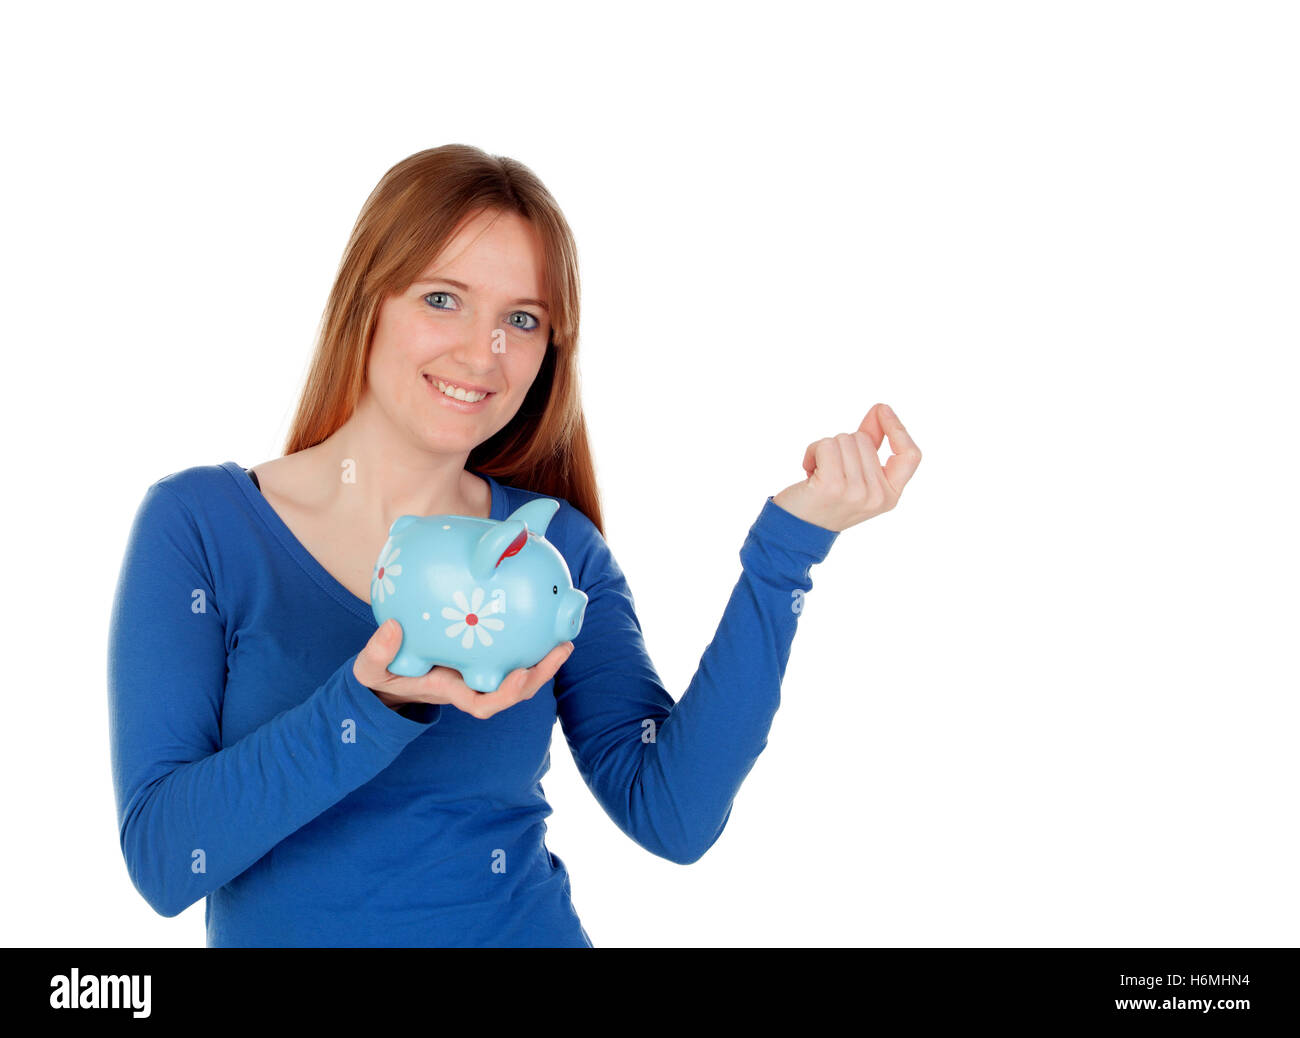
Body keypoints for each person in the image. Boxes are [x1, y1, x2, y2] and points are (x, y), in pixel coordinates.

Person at [106, 144, 922, 948]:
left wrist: (788, 550)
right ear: (368, 300)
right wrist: (373, 701)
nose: (481, 352)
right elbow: (166, 863)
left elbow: (672, 814)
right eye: (442, 299)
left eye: (521, 320)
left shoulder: (556, 550)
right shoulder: (202, 525)